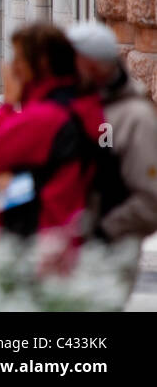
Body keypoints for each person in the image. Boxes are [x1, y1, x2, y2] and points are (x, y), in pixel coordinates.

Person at [0, 23, 106, 255]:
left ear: (41, 63)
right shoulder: (86, 105)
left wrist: (8, 105)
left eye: (19, 59)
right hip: (68, 240)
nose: (13, 67)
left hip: (36, 246)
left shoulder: (43, 118)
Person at [67, 22, 157, 244]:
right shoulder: (76, 104)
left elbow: (150, 199)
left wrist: (100, 232)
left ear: (91, 65)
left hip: (107, 256)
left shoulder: (136, 117)